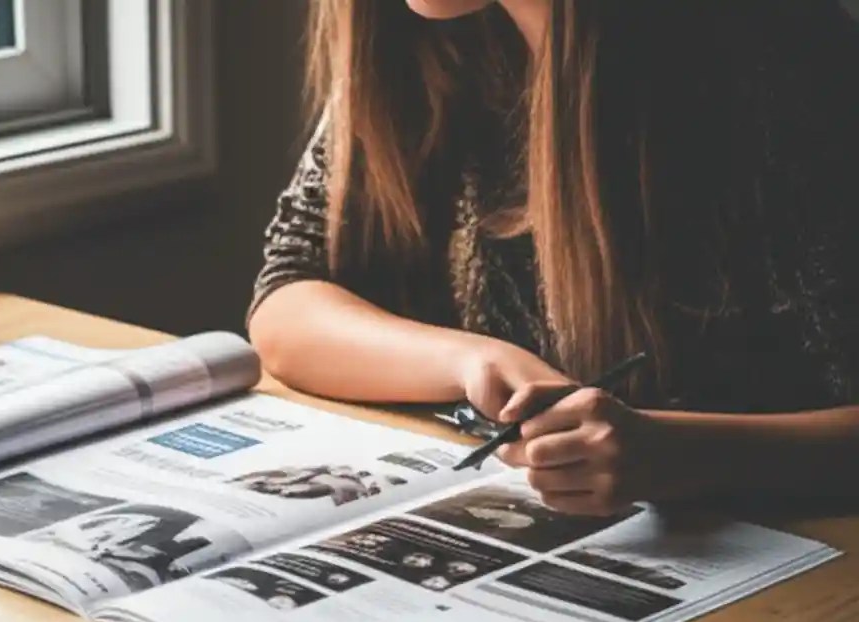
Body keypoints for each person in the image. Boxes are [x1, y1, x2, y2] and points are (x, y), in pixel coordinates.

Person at [248, 0, 859, 516]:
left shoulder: (777, 64)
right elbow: (290, 297)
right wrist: (473, 360)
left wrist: (683, 456)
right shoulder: (435, 42)